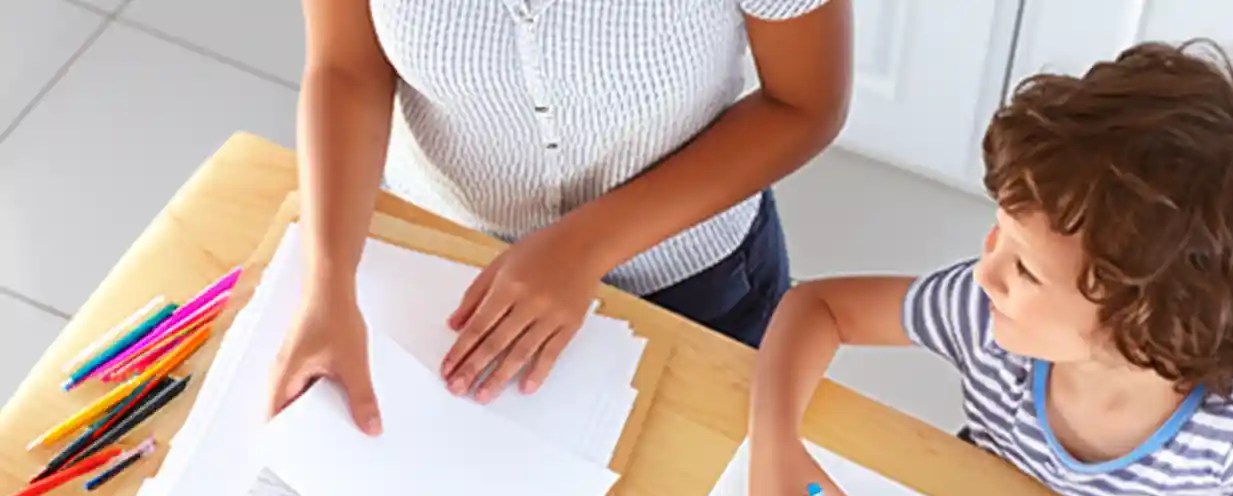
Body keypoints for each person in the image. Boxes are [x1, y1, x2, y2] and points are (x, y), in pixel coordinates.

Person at [748, 40, 1233, 496]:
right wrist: (775, 444)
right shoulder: (981, 316)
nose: (985, 274)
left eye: (1024, 269)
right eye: (998, 232)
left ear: (1148, 325)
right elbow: (819, 309)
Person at [269, 0, 852, 433]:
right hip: (443, 276)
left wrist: (584, 247)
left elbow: (804, 104)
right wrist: (328, 280)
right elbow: (345, 67)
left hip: (692, 283)